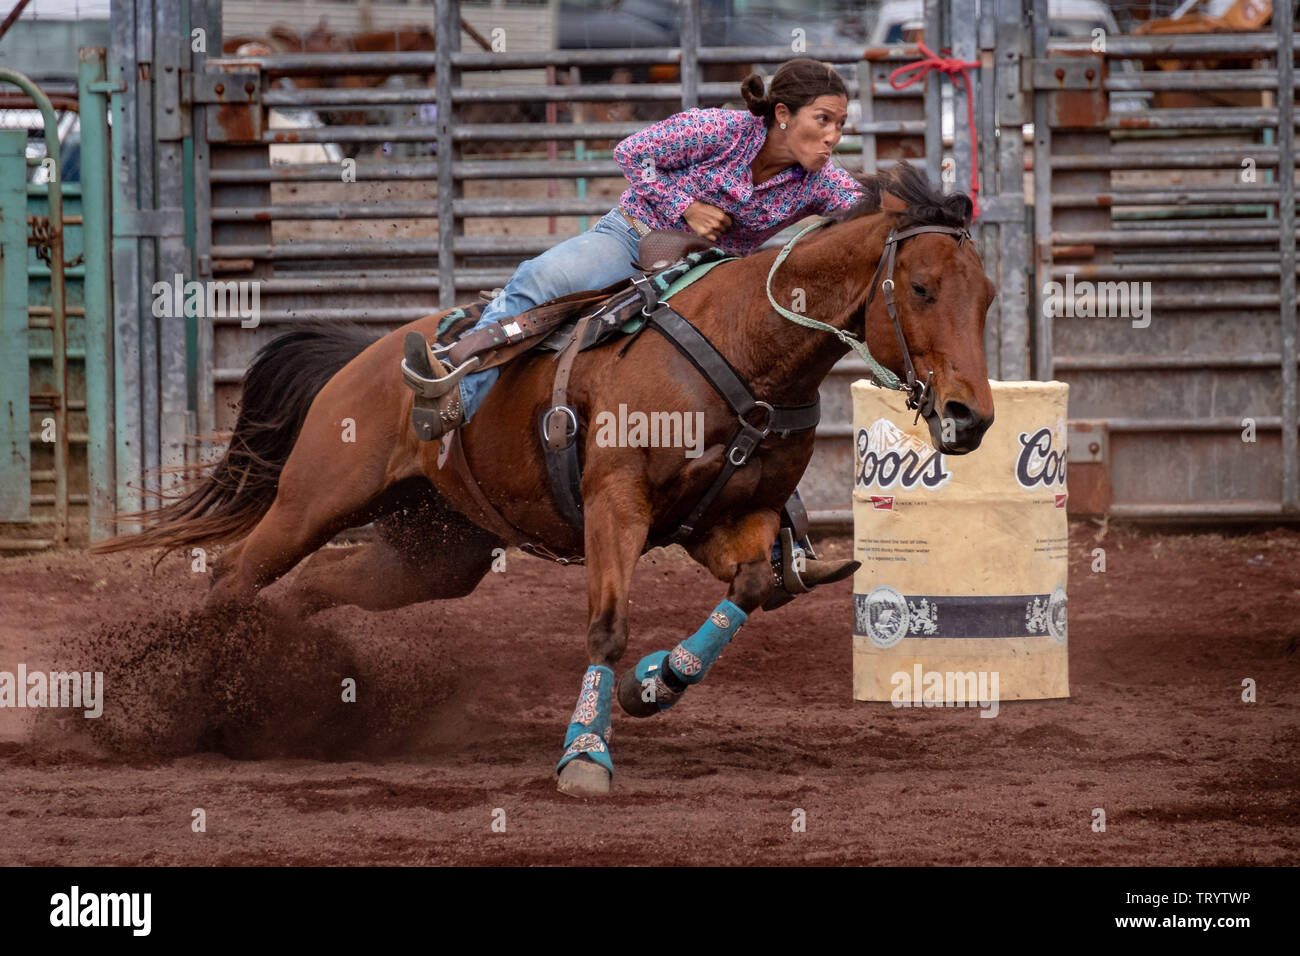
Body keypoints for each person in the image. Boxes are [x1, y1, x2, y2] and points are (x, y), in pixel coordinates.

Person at [404, 57, 865, 606]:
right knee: (542, 278)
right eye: (825, 120)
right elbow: (632, 152)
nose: (833, 136)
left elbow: (869, 212)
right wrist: (686, 206)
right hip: (635, 238)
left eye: (841, 124)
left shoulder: (822, 183)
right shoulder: (719, 129)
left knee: (753, 381)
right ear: (783, 115)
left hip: (704, 279)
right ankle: (456, 383)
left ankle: (783, 536)